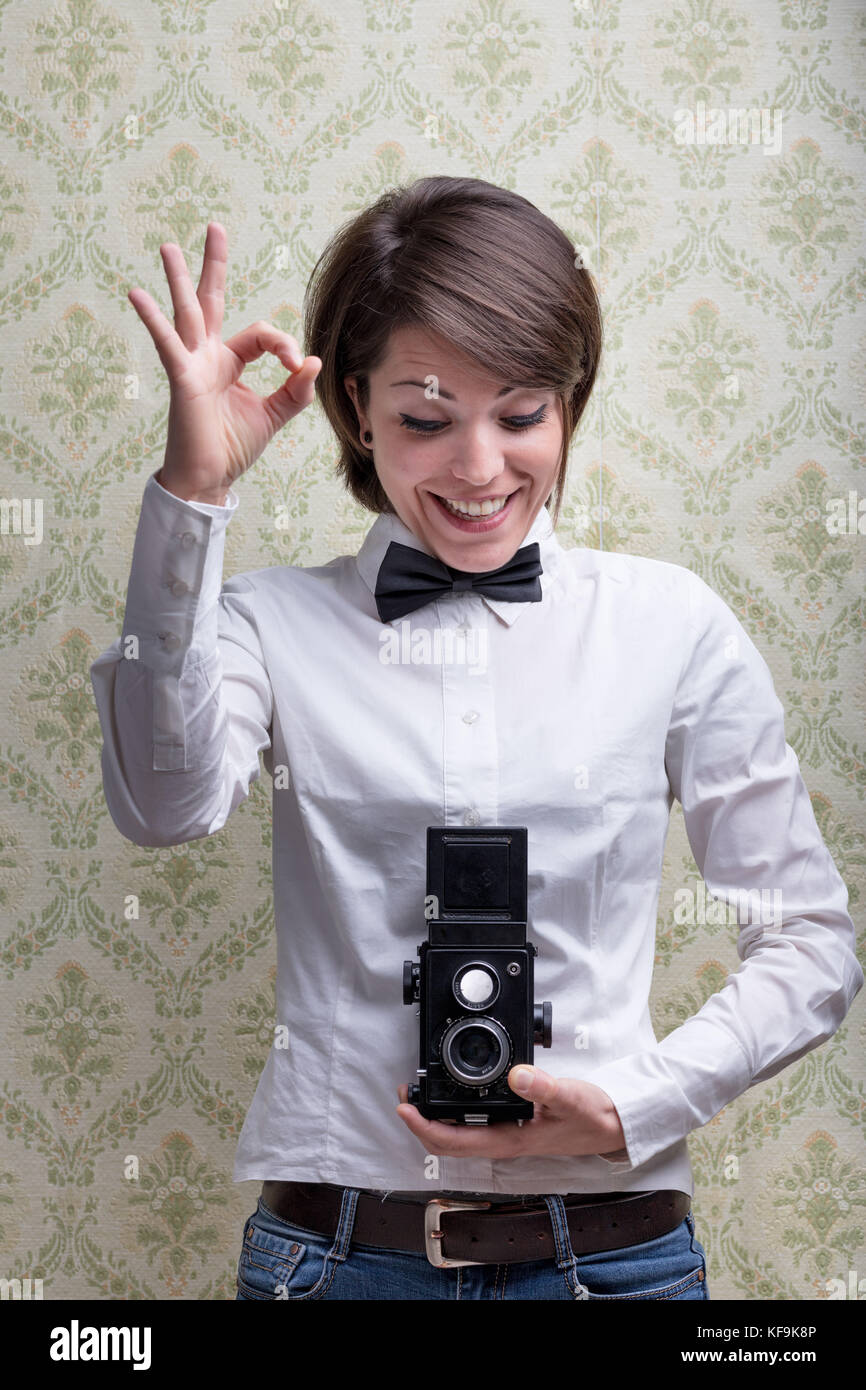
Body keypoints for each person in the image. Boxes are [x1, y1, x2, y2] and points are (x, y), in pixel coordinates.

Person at [90, 176, 862, 1301]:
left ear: (568, 401)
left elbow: (809, 942)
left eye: (519, 413)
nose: (478, 469)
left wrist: (635, 1104)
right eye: (423, 417)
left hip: (614, 1258)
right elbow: (161, 807)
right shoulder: (264, 623)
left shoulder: (669, 624)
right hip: (336, 1260)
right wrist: (191, 496)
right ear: (355, 406)